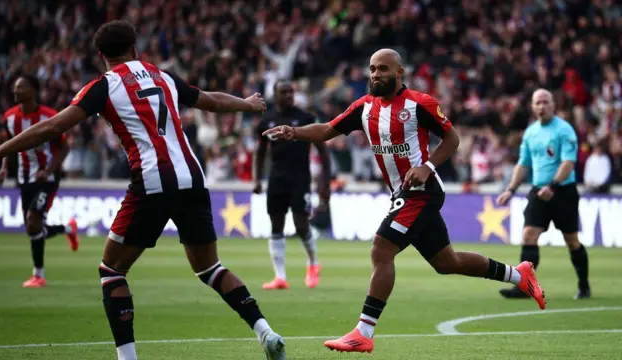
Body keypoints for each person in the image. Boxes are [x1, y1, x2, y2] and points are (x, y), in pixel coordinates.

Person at [0, 20, 285, 360]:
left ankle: (127, 359)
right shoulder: (161, 75)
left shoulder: (103, 86)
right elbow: (209, 100)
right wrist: (246, 104)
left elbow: (53, 127)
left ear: (101, 56)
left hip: (152, 181)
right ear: (134, 49)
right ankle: (266, 332)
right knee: (210, 268)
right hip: (192, 178)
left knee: (111, 270)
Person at [263, 49, 546, 354]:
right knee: (446, 262)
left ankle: (364, 331)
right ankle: (520, 275)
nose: (375, 75)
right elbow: (328, 130)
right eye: (372, 69)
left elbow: (452, 139)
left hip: (422, 190)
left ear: (399, 73)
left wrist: (428, 166)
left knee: (381, 249)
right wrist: (294, 132)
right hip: (402, 192)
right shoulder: (365, 107)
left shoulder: (419, 104)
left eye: (383, 69)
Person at [497, 88, 590, 300]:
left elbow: (569, 162)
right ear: (532, 107)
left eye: (545, 102)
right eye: (537, 103)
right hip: (538, 191)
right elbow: (523, 164)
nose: (541, 106)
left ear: (553, 105)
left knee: (571, 240)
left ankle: (584, 285)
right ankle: (525, 287)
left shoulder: (564, 130)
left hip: (563, 191)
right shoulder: (531, 132)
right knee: (529, 235)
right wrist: (510, 189)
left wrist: (554, 185)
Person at [0, 74, 79, 288]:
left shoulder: (49, 117)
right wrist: (5, 167)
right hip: (25, 179)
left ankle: (38, 275)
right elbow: (10, 144)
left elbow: (64, 147)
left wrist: (49, 170)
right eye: (15, 88)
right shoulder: (9, 118)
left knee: (33, 221)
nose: (16, 91)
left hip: (47, 178)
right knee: (32, 228)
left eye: (21, 87)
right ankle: (67, 229)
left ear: (33, 91)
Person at [253, 79, 331, 290]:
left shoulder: (305, 118)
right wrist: (257, 179)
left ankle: (313, 264)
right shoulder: (266, 121)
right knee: (276, 226)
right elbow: (260, 154)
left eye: (291, 92)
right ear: (275, 95)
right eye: (284, 92)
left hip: (301, 181)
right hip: (276, 181)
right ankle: (280, 277)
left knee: (301, 225)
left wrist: (325, 182)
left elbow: (323, 153)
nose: (289, 95)